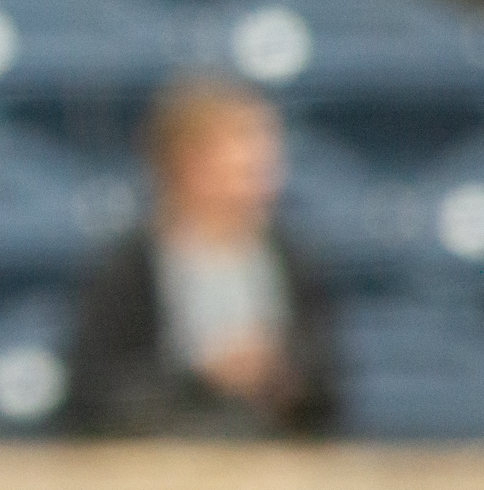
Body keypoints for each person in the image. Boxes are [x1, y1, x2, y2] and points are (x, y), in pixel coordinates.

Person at [64, 77, 339, 436]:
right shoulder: (131, 266)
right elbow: (92, 396)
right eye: (242, 162)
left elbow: (326, 388)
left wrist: (280, 375)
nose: (264, 177)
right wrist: (201, 375)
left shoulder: (289, 258)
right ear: (189, 165)